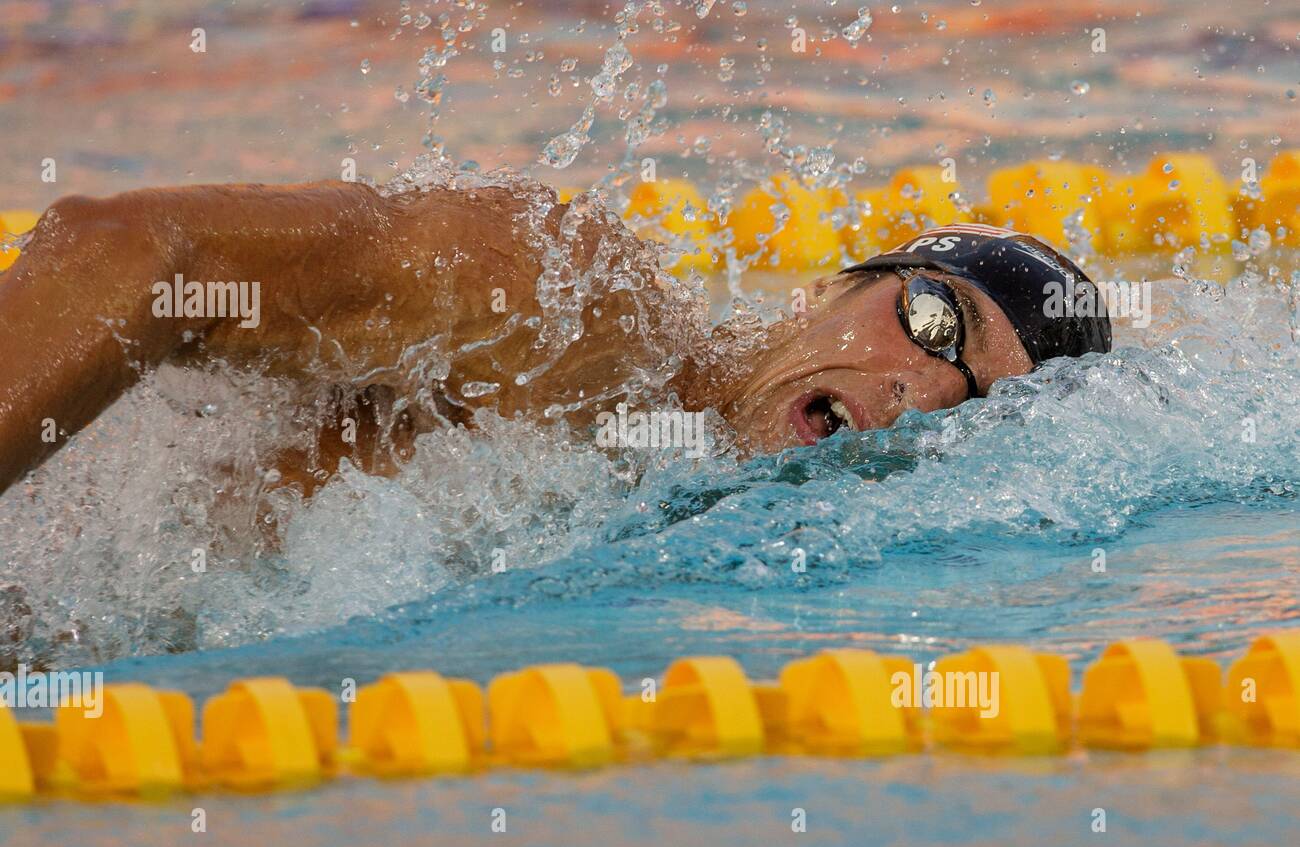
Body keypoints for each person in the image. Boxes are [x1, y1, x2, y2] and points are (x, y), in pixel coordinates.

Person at [0, 179, 1110, 496]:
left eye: (981, 404)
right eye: (929, 320)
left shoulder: (678, 515)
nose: (923, 389)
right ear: (830, 284)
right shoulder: (573, 310)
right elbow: (140, 251)